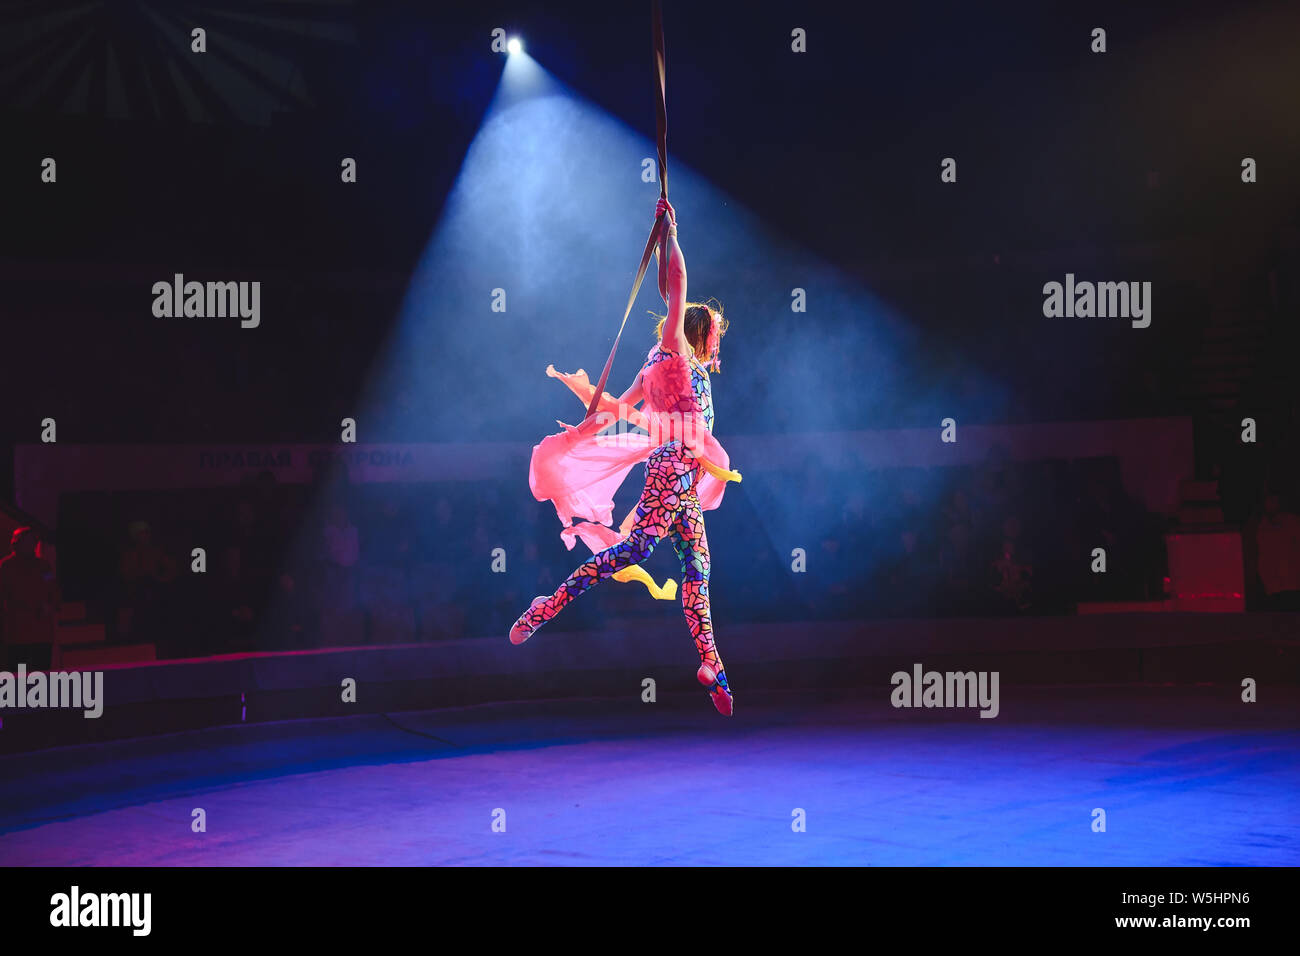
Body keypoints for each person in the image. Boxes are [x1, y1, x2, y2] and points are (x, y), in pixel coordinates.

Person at [510, 197, 741, 715]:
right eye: (717, 337)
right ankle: (548, 606)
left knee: (698, 567)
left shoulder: (654, 366)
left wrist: (663, 235)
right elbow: (675, 286)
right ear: (701, 334)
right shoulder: (674, 350)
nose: (718, 347)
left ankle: (710, 661)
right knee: (633, 554)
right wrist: (673, 236)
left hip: (679, 480)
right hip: (670, 476)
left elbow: (627, 409)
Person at [0, 527, 59, 668]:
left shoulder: (43, 566)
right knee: (17, 676)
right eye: (25, 542)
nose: (29, 545)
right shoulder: (6, 567)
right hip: (16, 632)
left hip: (41, 631)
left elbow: (53, 588)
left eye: (32, 541)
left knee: (42, 674)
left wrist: (51, 606)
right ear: (16, 544)